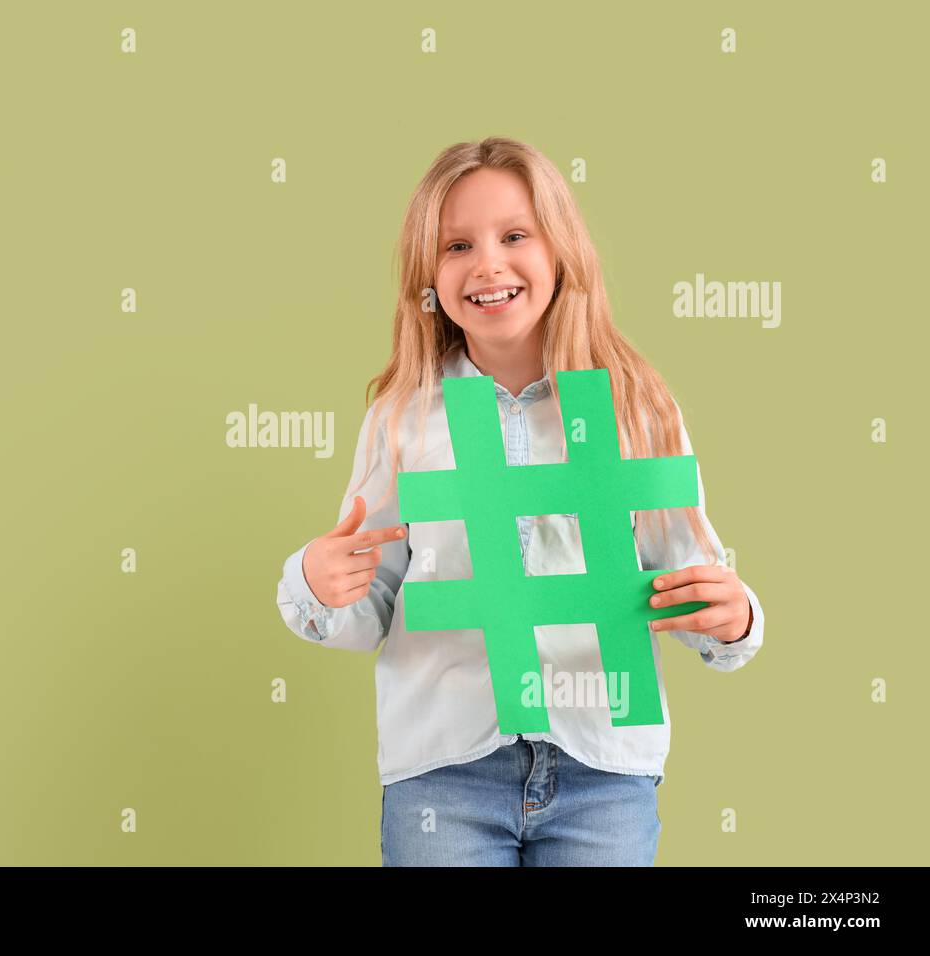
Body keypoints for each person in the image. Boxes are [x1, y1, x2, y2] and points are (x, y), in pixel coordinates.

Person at [274, 137, 765, 866]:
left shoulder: (637, 409)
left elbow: (689, 576)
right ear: (429, 278)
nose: (488, 264)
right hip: (444, 773)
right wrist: (314, 581)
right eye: (458, 245)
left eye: (515, 236)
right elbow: (367, 601)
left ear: (561, 252)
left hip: (604, 770)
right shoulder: (404, 418)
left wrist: (733, 620)